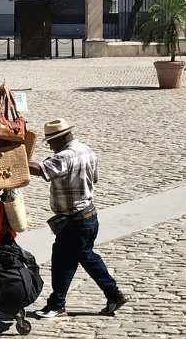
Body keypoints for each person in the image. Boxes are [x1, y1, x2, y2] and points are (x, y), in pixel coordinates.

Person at [28, 117, 127, 319]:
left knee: (62, 262)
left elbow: (41, 170)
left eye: (52, 142)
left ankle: (57, 305)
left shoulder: (63, 157)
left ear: (61, 137)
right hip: (90, 216)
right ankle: (113, 294)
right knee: (88, 257)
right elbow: (95, 179)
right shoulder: (87, 150)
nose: (51, 147)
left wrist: (15, 159)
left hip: (74, 221)